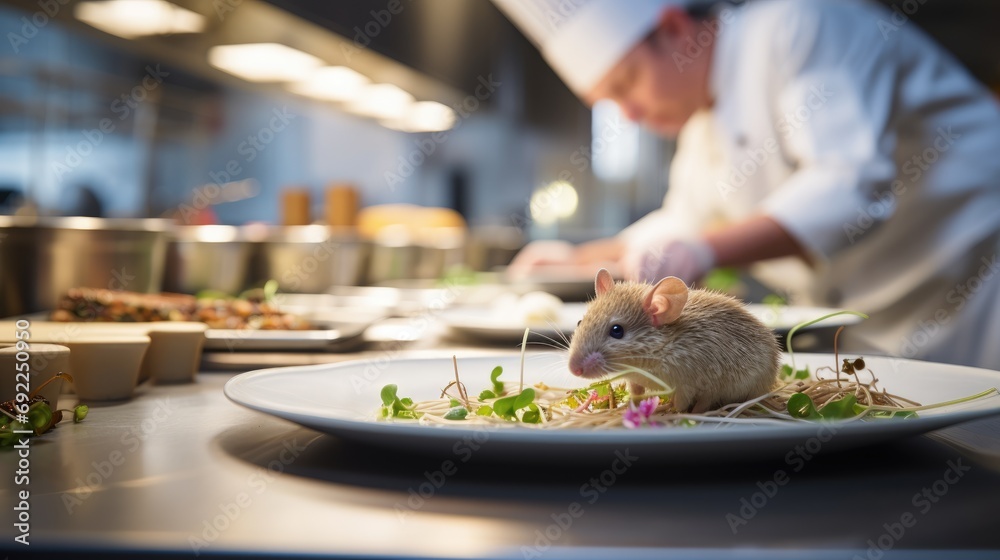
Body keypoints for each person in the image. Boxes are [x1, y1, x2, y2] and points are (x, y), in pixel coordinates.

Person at [493, 0, 1000, 369]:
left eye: (625, 85)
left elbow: (849, 185)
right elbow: (681, 225)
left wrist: (702, 251)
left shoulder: (798, 25)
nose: (628, 113)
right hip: (874, 320)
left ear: (671, 27)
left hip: (978, 277)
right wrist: (577, 258)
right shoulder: (701, 126)